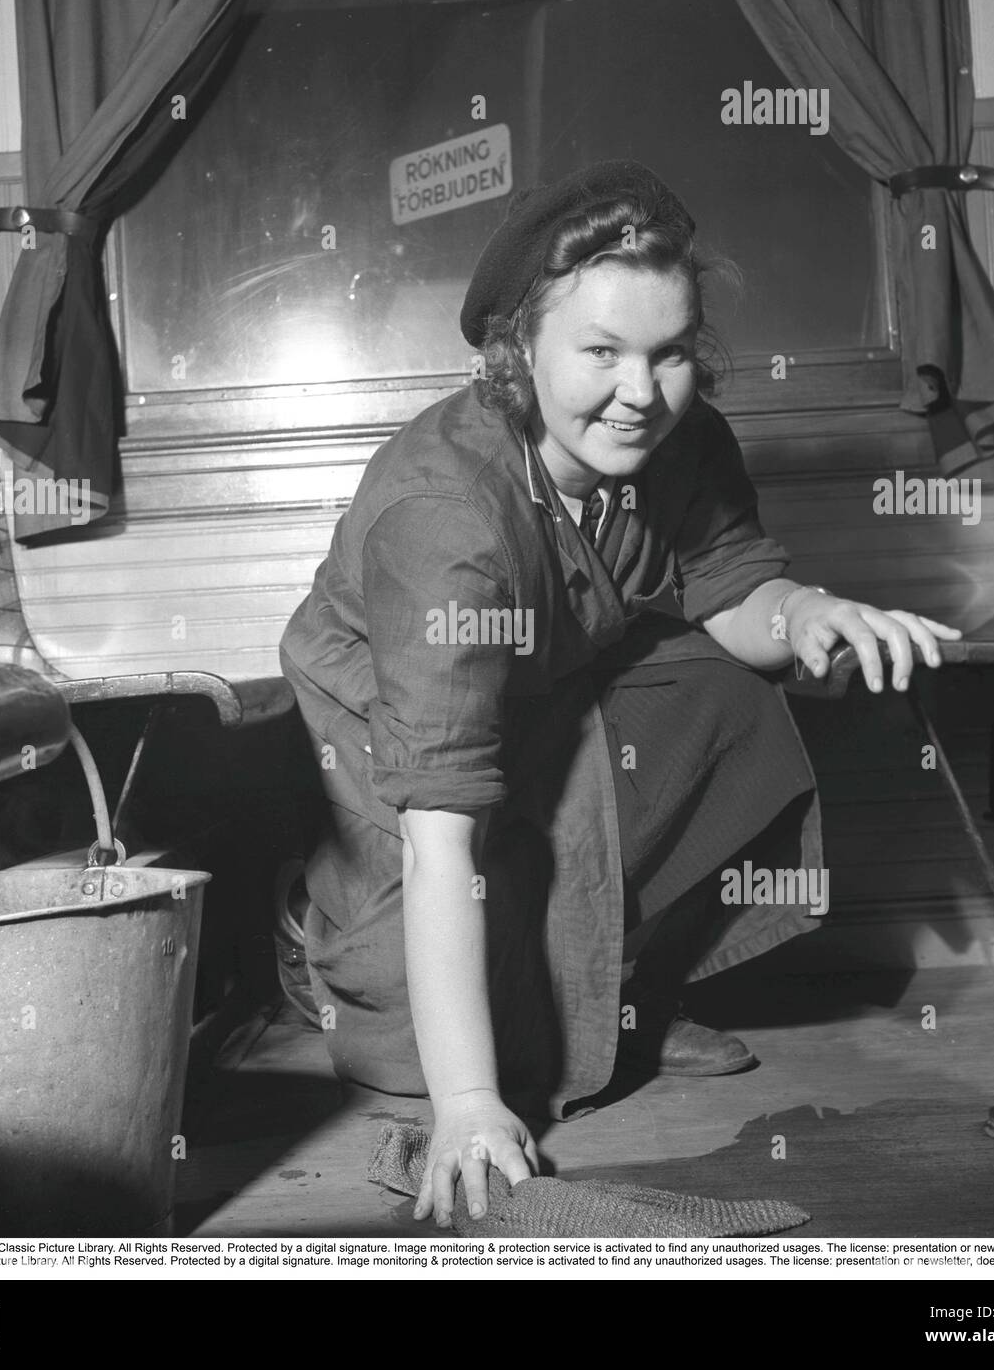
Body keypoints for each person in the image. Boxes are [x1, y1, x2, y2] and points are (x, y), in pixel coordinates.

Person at [278, 160, 958, 1228]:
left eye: (670, 353)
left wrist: (808, 614)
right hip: (388, 726)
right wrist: (464, 1108)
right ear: (518, 352)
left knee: (734, 695)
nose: (641, 393)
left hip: (554, 677)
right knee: (431, 1035)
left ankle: (626, 992)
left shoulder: (679, 441)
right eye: (600, 352)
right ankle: (313, 933)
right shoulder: (442, 516)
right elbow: (441, 836)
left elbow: (733, 591)